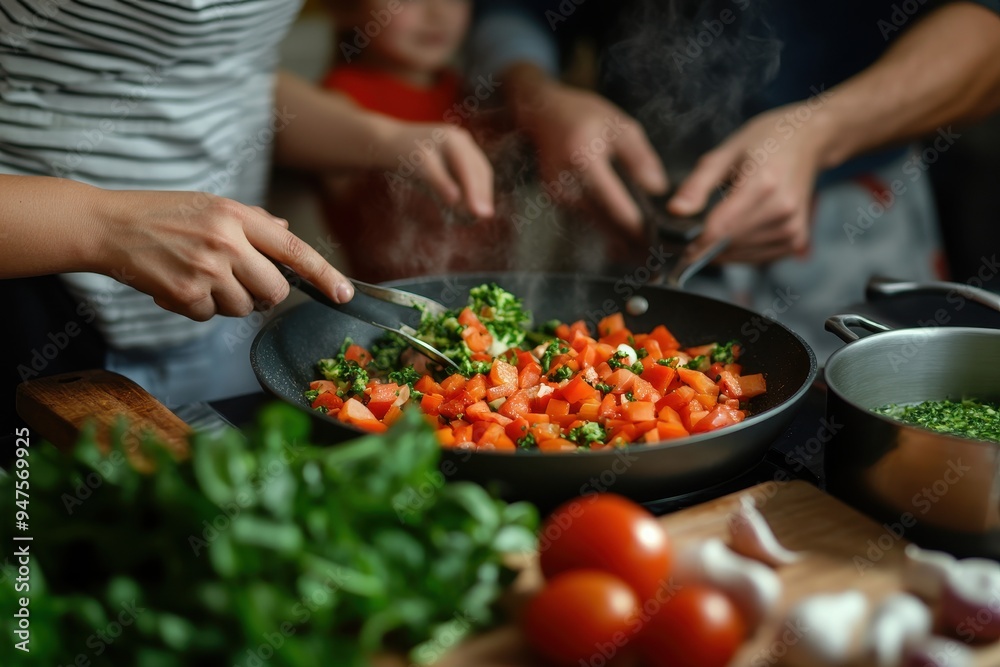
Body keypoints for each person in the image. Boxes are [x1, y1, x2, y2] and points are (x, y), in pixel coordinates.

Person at [0, 0, 495, 431]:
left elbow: (227, 73)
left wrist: (385, 138)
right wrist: (105, 228)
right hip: (37, 312)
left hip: (222, 327)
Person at [471, 0, 1000, 360]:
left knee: (856, 435)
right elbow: (508, 10)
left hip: (853, 206)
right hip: (622, 191)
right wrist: (535, 95)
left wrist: (824, 131)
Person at [318, 0, 510, 282]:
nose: (437, 12)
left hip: (499, 300)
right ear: (345, 7)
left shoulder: (474, 92)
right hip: (397, 310)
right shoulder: (339, 102)